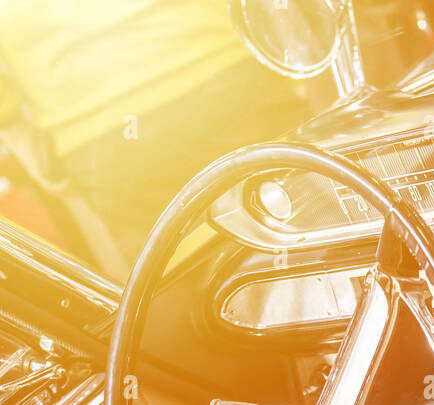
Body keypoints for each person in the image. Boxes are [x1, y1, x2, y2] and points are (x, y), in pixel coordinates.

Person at [0, 0, 310, 273]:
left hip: (102, 138)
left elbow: (4, 101)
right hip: (220, 76)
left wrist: (51, 168)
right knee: (315, 224)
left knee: (185, 282)